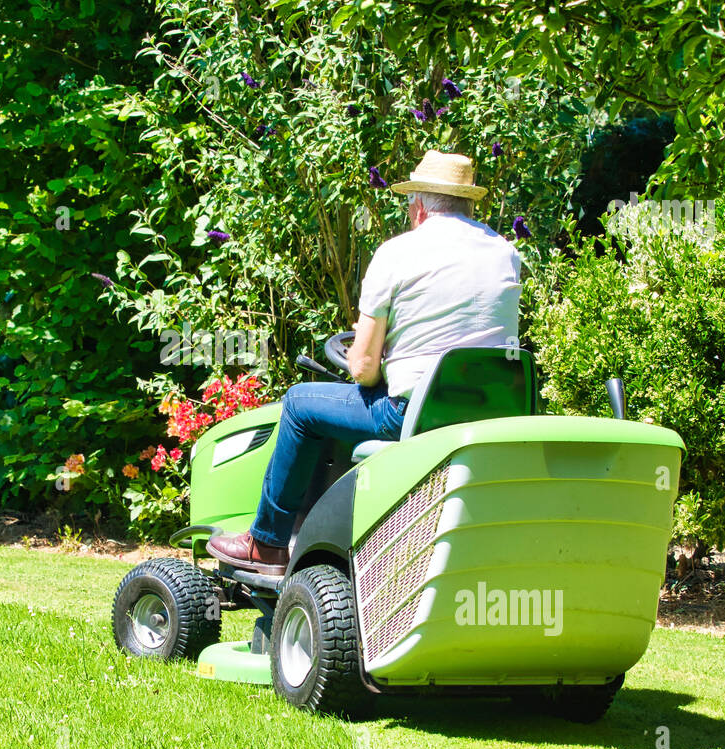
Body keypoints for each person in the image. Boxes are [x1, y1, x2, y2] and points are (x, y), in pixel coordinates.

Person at [206, 149, 522, 578]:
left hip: (413, 416)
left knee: (300, 404)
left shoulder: (398, 254)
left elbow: (364, 370)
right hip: (489, 417)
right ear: (468, 205)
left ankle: (268, 542)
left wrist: (366, 356)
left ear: (419, 209)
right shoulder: (504, 254)